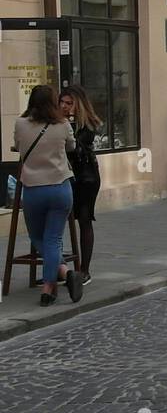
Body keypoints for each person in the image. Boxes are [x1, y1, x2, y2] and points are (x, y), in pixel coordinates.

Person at [13, 85, 83, 307]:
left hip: (33, 189)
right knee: (54, 239)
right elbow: (72, 146)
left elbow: (18, 146)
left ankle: (60, 276)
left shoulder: (21, 124)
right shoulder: (62, 125)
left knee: (37, 237)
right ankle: (51, 285)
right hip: (60, 188)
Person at [59, 84, 101, 285]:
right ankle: (58, 268)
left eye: (69, 103)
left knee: (84, 219)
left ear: (78, 105)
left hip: (85, 177)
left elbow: (75, 147)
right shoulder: (58, 123)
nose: (64, 106)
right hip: (64, 176)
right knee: (56, 222)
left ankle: (84, 270)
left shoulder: (87, 125)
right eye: (62, 102)